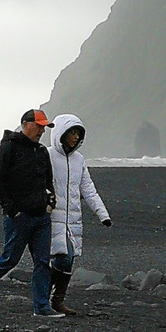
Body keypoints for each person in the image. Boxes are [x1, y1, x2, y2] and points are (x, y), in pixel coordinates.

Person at [0, 109, 62, 317]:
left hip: (41, 217)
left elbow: (48, 181)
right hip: (19, 217)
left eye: (43, 127)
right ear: (24, 124)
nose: (41, 130)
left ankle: (41, 307)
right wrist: (12, 211)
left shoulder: (41, 152)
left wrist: (51, 201)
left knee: (42, 262)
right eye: (38, 125)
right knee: (10, 259)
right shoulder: (8, 148)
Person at [47, 113, 111, 315]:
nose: (75, 137)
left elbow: (88, 189)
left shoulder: (79, 160)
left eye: (78, 133)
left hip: (73, 218)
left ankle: (55, 300)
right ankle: (47, 298)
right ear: (60, 133)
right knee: (63, 256)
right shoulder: (46, 155)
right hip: (51, 216)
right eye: (71, 133)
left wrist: (103, 214)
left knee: (69, 257)